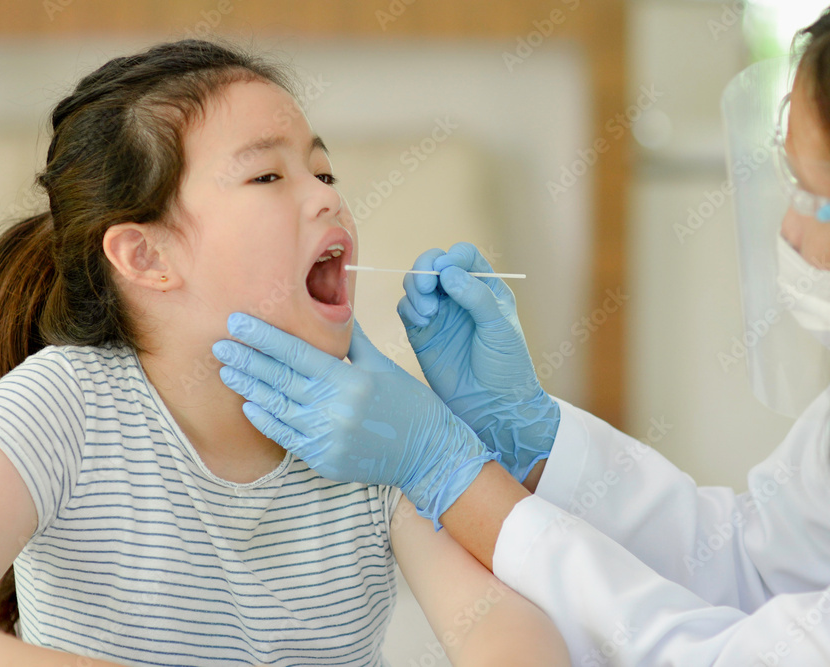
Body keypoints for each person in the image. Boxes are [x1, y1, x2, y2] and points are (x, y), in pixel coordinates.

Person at [0, 40, 570, 666]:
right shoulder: (62, 407)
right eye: (269, 175)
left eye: (324, 171)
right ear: (145, 255)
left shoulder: (373, 431)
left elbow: (510, 632)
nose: (325, 199)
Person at [210, 11, 830, 666]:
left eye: (816, 197)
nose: (789, 230)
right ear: (142, 254)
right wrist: (528, 438)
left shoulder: (377, 492)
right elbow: (749, 563)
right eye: (267, 177)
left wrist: (449, 472)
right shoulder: (88, 413)